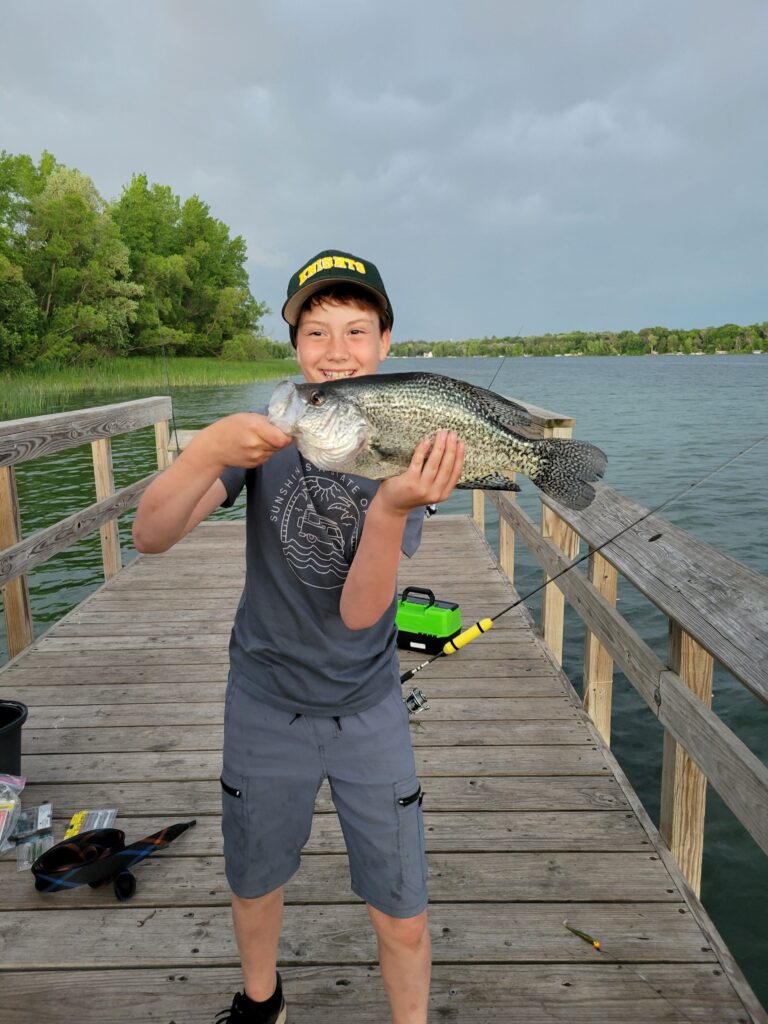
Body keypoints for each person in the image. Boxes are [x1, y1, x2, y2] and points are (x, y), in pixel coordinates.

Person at [132, 249, 465, 1024]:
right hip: (263, 701)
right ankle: (263, 1004)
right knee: (254, 881)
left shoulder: (404, 447)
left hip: (367, 707)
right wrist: (209, 448)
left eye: (356, 330)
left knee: (402, 907)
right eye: (316, 332)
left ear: (385, 342)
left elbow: (362, 613)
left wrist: (393, 506)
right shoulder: (272, 436)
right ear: (294, 348)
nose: (336, 349)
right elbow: (150, 535)